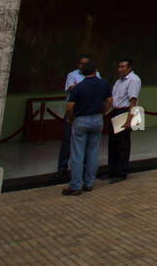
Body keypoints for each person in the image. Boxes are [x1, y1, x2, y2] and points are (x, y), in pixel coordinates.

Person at [62, 60, 112, 196]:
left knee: (77, 154)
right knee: (93, 153)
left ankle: (76, 185)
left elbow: (69, 106)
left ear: (83, 73)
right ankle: (89, 183)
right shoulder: (104, 84)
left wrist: (70, 117)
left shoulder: (78, 87)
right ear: (95, 71)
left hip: (81, 119)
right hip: (97, 119)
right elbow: (109, 101)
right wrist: (103, 112)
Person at [58, 54, 99, 180]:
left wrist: (78, 86)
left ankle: (84, 171)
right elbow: (71, 88)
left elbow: (95, 88)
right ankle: (62, 168)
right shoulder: (72, 74)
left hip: (88, 110)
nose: (83, 66)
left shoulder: (97, 75)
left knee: (88, 144)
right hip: (74, 110)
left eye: (85, 64)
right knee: (67, 140)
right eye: (81, 63)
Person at [107, 58, 141, 183]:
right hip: (116, 111)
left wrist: (129, 120)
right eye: (119, 67)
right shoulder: (119, 81)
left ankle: (121, 172)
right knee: (113, 142)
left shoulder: (133, 80)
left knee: (122, 144)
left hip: (126, 111)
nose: (119, 69)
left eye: (122, 67)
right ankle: (112, 170)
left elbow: (133, 100)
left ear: (129, 68)